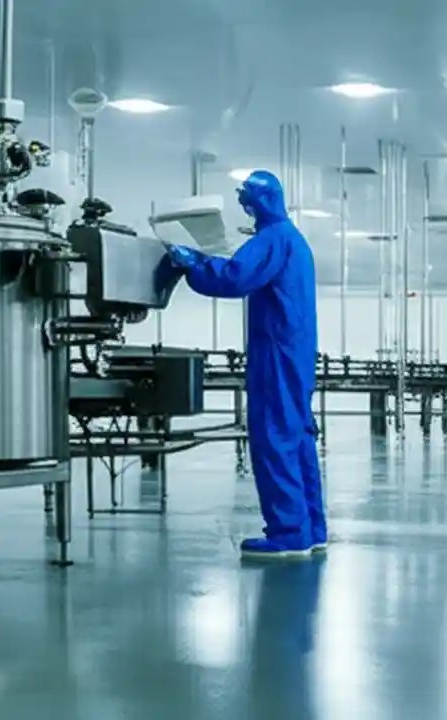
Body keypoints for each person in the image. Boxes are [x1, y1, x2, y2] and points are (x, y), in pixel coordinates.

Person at [163, 170, 326, 559]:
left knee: (274, 438)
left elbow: (236, 278)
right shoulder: (295, 240)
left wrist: (193, 263)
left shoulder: (273, 239)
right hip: (296, 352)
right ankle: (311, 527)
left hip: (275, 352)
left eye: (246, 198)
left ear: (256, 201)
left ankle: (288, 533)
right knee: (298, 437)